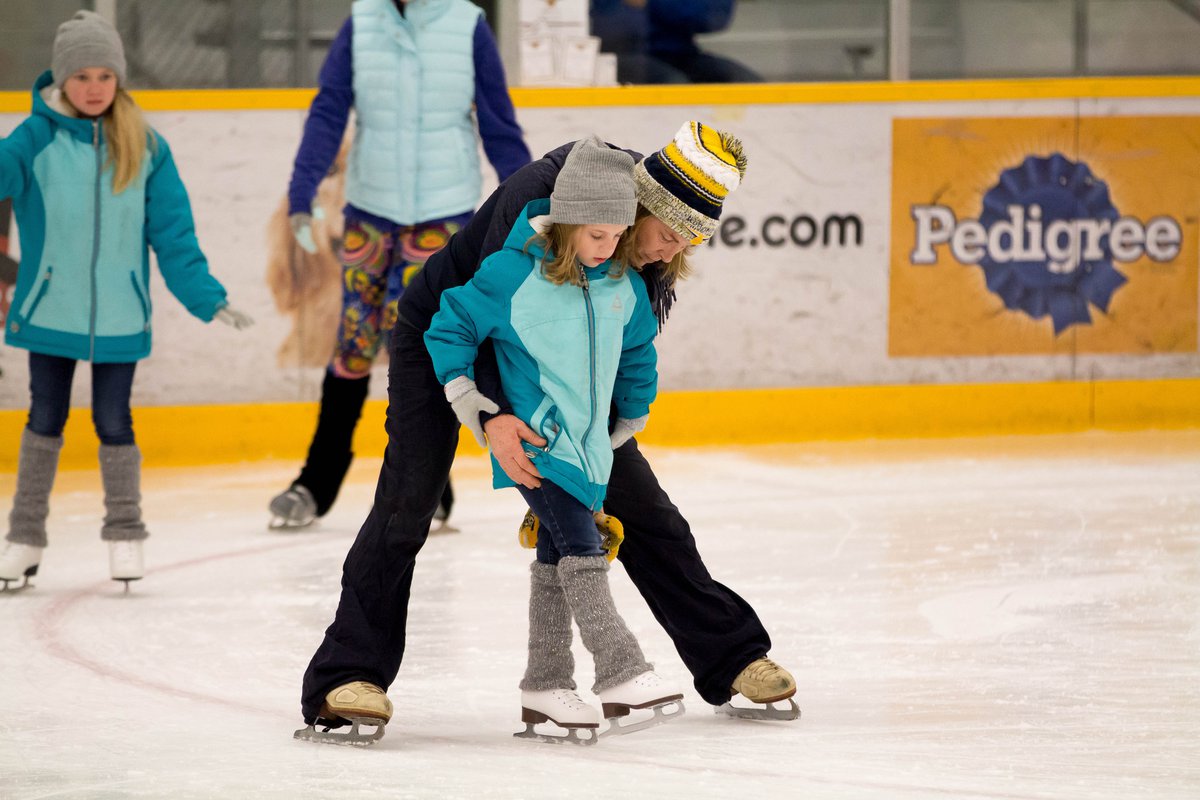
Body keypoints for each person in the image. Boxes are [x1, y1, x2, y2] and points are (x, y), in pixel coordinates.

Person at [294, 121, 797, 746]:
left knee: (639, 502)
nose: (670, 252)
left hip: (543, 358)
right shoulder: (544, 203)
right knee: (408, 499)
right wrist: (491, 417)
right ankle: (347, 676)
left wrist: (602, 440)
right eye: (667, 235)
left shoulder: (633, 249)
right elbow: (484, 321)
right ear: (636, 208)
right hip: (448, 338)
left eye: (687, 243)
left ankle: (732, 657)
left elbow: (610, 342)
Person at [426, 136, 683, 741]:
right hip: (538, 446)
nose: (609, 248)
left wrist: (632, 415)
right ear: (565, 223)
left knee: (553, 558)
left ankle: (545, 685)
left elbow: (639, 346)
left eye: (618, 235)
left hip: (591, 449)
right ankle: (619, 668)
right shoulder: (512, 273)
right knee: (581, 547)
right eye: (596, 236)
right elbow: (449, 327)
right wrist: (475, 405)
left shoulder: (620, 281)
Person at [0, 10, 253, 591]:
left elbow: (173, 234)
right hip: (49, 310)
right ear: (62, 80)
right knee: (44, 420)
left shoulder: (144, 144)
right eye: (82, 76)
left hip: (119, 314)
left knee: (115, 421)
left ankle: (125, 535)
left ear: (119, 80)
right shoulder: (33, 138)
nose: (94, 88)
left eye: (105, 76)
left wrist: (206, 298)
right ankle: (23, 539)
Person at [267, 0, 531, 530]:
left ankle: (429, 486)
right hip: (370, 210)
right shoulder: (362, 23)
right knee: (353, 345)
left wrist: (529, 207)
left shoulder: (467, 25)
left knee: (424, 349)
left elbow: (498, 123)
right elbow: (328, 110)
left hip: (442, 214)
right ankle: (315, 484)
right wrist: (302, 191)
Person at [590, 0, 762, 85]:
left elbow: (714, 14)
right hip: (616, 56)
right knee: (675, 86)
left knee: (747, 83)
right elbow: (603, 24)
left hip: (680, 52)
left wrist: (652, 3)